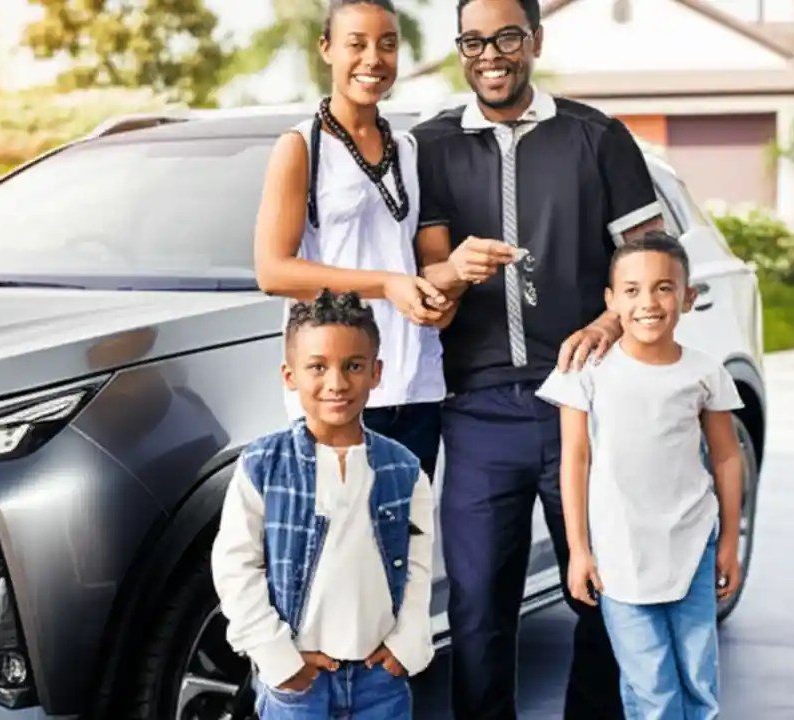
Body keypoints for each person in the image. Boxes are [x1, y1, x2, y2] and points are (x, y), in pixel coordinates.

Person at [411, 0, 667, 717]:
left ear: (536, 40)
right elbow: (422, 281)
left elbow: (653, 255)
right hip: (477, 409)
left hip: (582, 403)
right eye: (473, 40)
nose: (490, 54)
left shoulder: (596, 136)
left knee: (602, 591)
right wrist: (455, 270)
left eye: (507, 37)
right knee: (477, 609)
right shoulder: (430, 146)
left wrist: (613, 320)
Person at [254, 0, 505, 477]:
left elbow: (429, 261)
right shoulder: (300, 147)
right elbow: (273, 271)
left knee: (406, 544)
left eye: (387, 45)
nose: (374, 58)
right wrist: (388, 284)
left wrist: (447, 288)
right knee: (339, 542)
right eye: (357, 44)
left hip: (414, 386)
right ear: (326, 49)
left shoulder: (411, 150)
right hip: (337, 387)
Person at [536, 232, 744, 720]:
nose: (648, 302)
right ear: (610, 301)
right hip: (620, 555)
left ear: (688, 297)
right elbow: (575, 460)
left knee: (698, 679)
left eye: (664, 288)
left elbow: (727, 457)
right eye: (631, 290)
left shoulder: (705, 373)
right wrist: (579, 550)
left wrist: (729, 541)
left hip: (693, 547)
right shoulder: (585, 373)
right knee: (650, 685)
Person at [211, 290, 436, 720]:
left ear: (376, 372)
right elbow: (235, 565)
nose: (336, 383)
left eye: (353, 366)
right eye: (318, 367)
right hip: (299, 680)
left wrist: (405, 647)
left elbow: (418, 568)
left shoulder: (404, 470)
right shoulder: (263, 465)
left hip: (379, 680)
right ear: (290, 374)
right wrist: (277, 659)